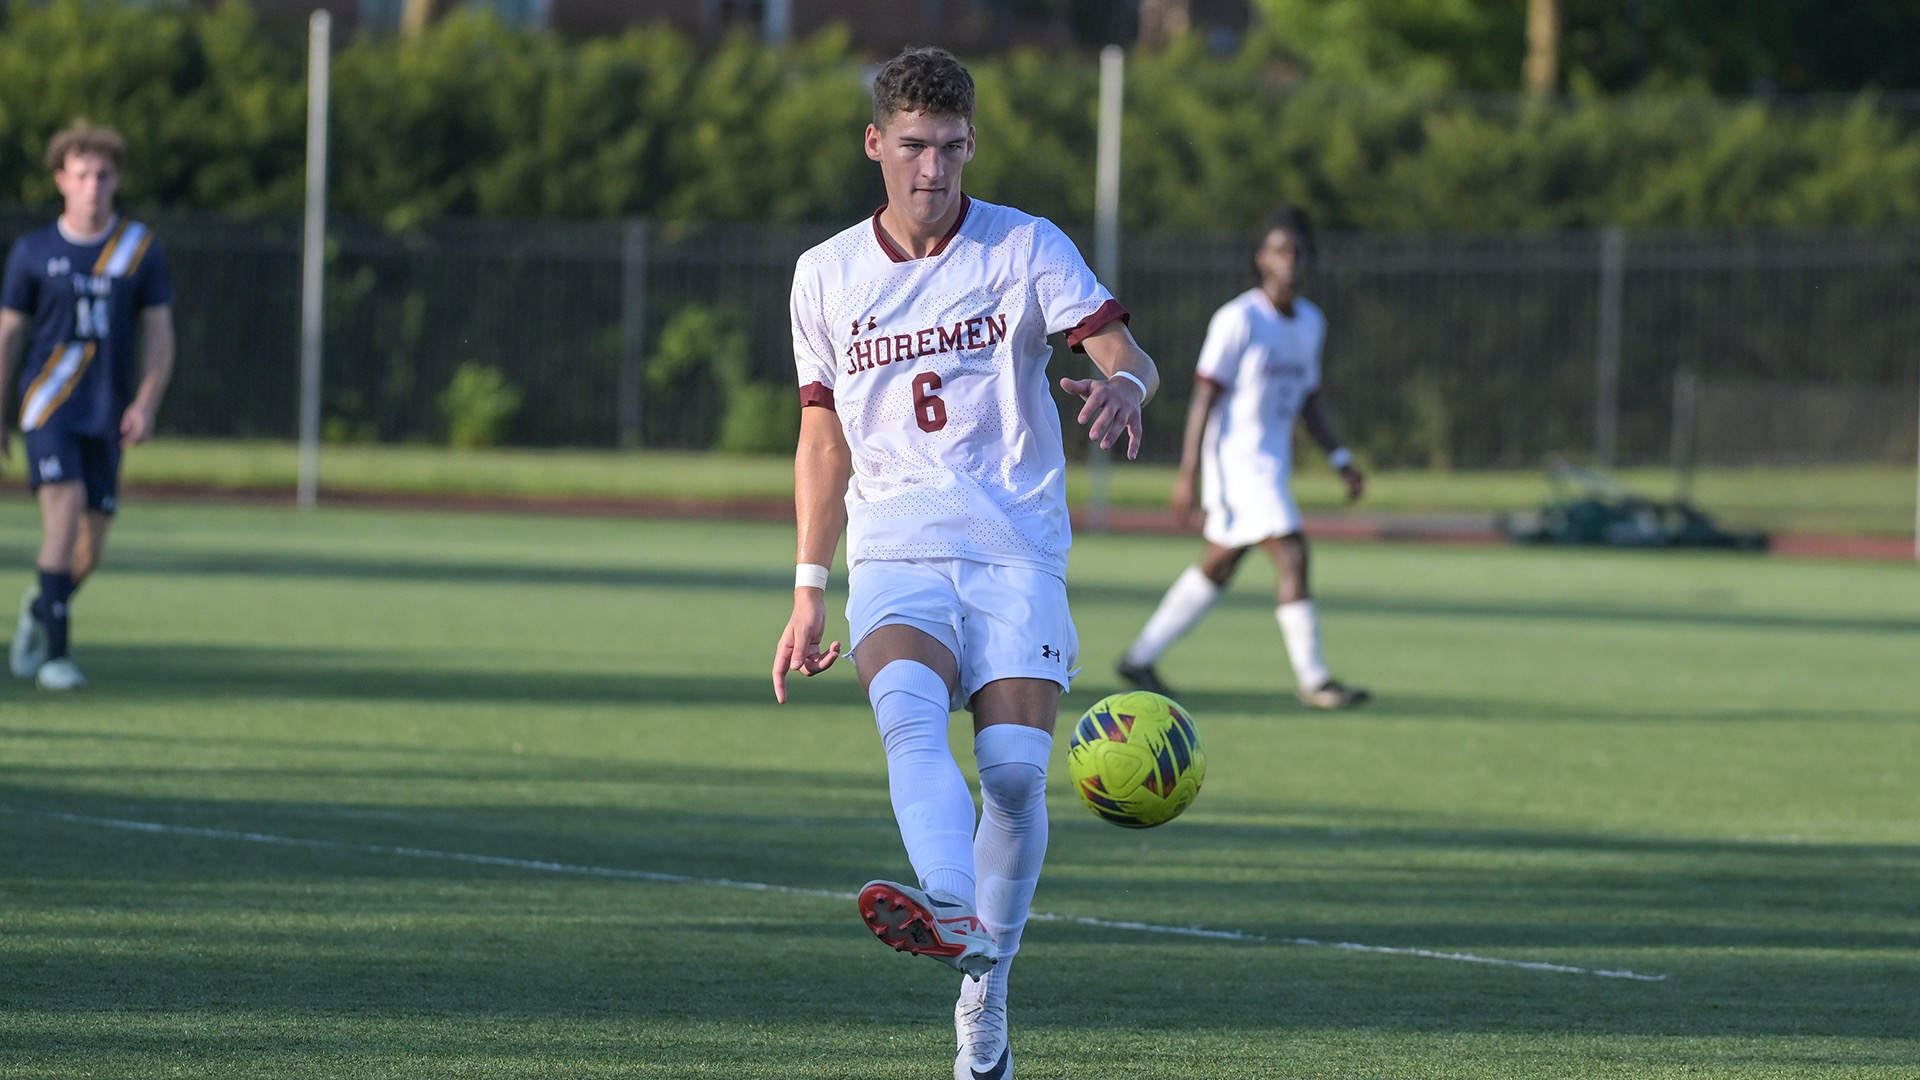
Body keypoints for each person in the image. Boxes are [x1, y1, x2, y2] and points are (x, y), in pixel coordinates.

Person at [771, 47, 1159, 1080]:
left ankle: (986, 990)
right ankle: (948, 904)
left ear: (972, 144)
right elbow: (821, 441)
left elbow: (1126, 352)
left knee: (1017, 779)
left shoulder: (1025, 247)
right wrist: (809, 587)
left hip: (1015, 546)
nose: (932, 169)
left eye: (950, 148)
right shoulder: (824, 274)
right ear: (875, 145)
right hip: (893, 541)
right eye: (913, 147)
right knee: (907, 717)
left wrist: (1128, 387)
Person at [1115, 205, 1369, 710]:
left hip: (1271, 463)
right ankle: (1314, 679)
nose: (1289, 259)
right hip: (1236, 464)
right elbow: (1204, 397)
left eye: (1298, 251)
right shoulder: (1239, 318)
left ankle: (1139, 658)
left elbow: (1309, 400)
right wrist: (1188, 474)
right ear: (1260, 259)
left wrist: (1340, 457)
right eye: (1279, 250)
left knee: (1220, 563)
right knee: (1292, 552)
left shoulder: (1310, 322)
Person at [0, 120, 174, 691]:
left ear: (116, 179)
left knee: (90, 547)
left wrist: (145, 403)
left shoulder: (138, 249)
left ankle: (40, 608)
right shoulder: (33, 252)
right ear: (60, 180)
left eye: (102, 175)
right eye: (81, 175)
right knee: (64, 507)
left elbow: (159, 333)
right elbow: (8, 336)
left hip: (105, 410)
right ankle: (56, 658)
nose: (92, 186)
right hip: (47, 404)